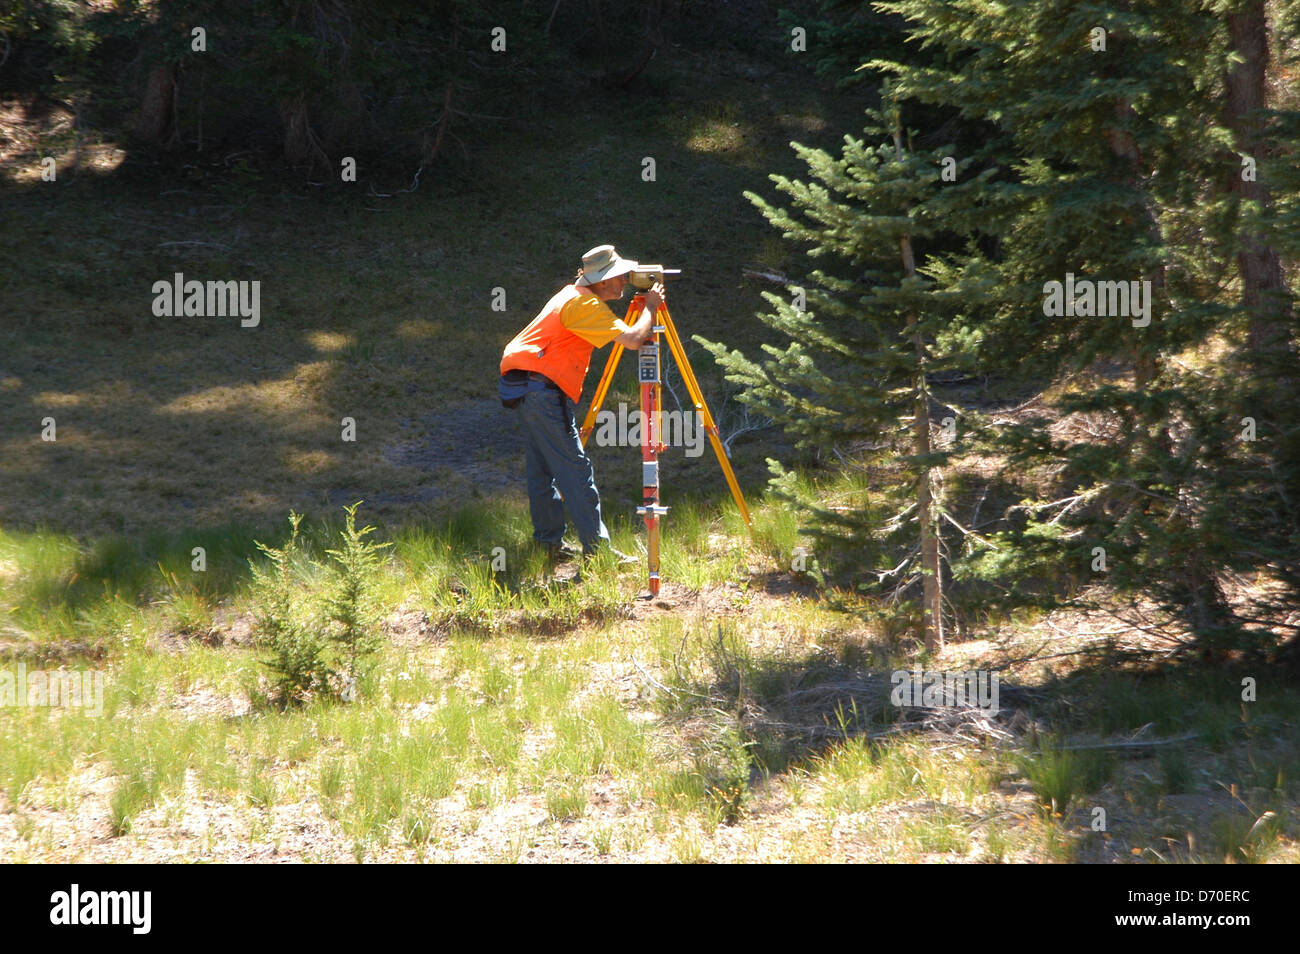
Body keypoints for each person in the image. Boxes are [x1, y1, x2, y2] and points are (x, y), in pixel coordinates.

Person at [499, 245, 664, 561]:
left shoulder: (570, 295)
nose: (625, 282)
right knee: (575, 470)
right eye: (619, 277)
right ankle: (597, 552)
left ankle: (548, 545)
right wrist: (650, 308)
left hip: (524, 387)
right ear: (601, 281)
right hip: (542, 391)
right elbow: (633, 339)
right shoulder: (583, 304)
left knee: (541, 470)